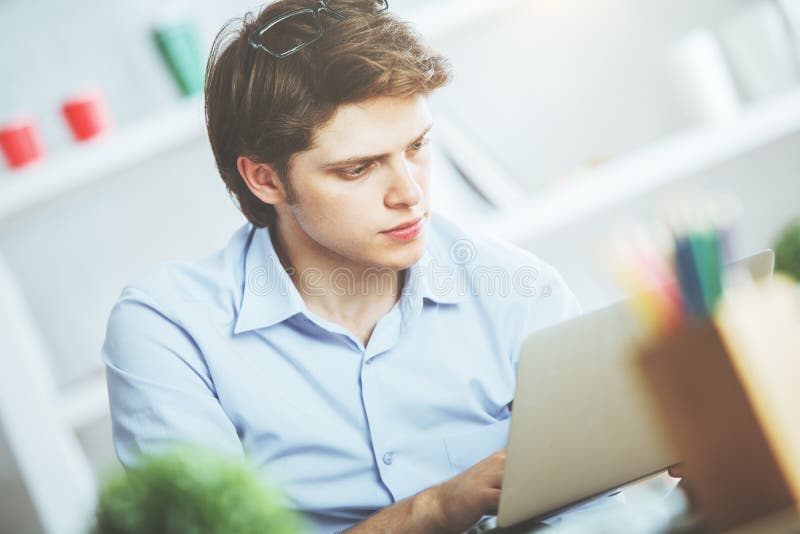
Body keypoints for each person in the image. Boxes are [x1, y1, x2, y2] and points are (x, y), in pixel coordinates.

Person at [102, 1, 583, 532]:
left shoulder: (520, 289)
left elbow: (591, 510)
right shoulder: (170, 328)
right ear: (265, 180)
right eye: (357, 168)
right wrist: (437, 509)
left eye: (417, 147)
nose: (410, 193)